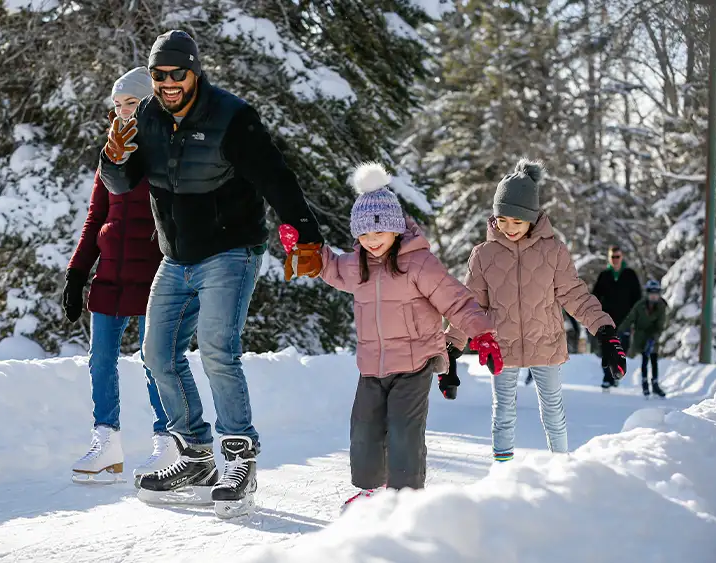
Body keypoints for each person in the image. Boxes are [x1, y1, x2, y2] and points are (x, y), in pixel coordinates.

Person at [97, 30, 325, 519]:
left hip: (231, 252)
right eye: (159, 76)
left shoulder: (232, 117)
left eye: (177, 74)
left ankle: (239, 456)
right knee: (157, 353)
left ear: (195, 72)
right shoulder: (147, 120)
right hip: (176, 257)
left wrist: (306, 234)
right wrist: (113, 158)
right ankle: (197, 454)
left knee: (218, 350)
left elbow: (275, 177)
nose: (168, 83)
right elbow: (123, 183)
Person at [299, 162, 500, 512]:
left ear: (395, 229)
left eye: (379, 233)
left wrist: (481, 334)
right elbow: (329, 267)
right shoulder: (356, 264)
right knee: (364, 432)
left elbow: (455, 299)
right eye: (364, 235)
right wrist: (308, 251)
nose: (372, 241)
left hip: (414, 362)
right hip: (372, 367)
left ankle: (406, 498)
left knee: (404, 431)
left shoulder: (418, 263)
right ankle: (370, 492)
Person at [447, 159, 627, 463]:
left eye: (517, 222)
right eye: (502, 220)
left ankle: (562, 467)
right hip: (500, 345)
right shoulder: (483, 255)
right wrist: (452, 346)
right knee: (503, 410)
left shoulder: (553, 251)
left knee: (553, 407)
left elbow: (574, 295)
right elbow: (472, 305)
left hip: (545, 341)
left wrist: (605, 331)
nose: (509, 228)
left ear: (532, 218)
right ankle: (503, 473)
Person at [65, 67, 177, 484]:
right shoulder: (111, 153)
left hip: (154, 271)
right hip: (110, 271)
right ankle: (106, 442)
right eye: (117, 105)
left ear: (149, 102)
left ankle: (167, 442)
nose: (123, 111)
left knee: (156, 360)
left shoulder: (165, 150)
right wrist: (77, 273)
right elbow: (97, 215)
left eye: (131, 103)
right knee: (100, 359)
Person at [592, 244, 642, 389]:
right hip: (606, 319)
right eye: (612, 257)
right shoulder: (604, 276)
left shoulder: (630, 275)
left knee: (621, 348)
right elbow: (595, 296)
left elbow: (637, 298)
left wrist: (635, 319)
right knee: (606, 348)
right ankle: (607, 377)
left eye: (617, 257)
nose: (615, 260)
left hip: (625, 320)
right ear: (609, 258)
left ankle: (616, 374)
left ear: (622, 257)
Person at [618, 279, 668, 398]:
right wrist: (619, 330)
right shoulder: (640, 305)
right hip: (641, 336)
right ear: (648, 294)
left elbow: (660, 325)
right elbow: (630, 319)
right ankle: (644, 383)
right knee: (645, 359)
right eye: (652, 294)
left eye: (656, 294)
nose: (654, 296)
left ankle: (655, 384)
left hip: (653, 336)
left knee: (654, 359)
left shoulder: (661, 307)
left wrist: (654, 338)